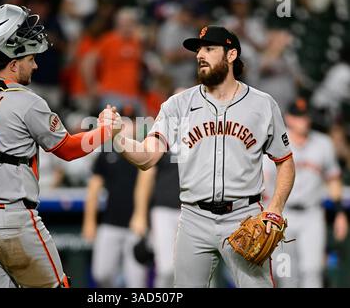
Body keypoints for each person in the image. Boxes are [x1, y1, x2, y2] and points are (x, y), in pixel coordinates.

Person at [103, 25, 296, 288]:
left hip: (244, 216)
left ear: (231, 55)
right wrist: (117, 138)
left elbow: (284, 161)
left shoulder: (262, 104)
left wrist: (275, 208)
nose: (199, 55)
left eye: (209, 49)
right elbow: (147, 157)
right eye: (198, 50)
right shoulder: (177, 105)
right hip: (194, 219)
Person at [0, 4, 117, 288]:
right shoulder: (27, 100)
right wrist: (105, 131)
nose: (35, 65)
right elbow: (67, 149)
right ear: (13, 63)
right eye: (30, 59)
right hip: (14, 222)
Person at [264, 99, 348, 288]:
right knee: (286, 275)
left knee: (313, 272)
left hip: (312, 215)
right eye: (299, 116)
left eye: (305, 116)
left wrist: (340, 213)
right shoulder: (274, 141)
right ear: (289, 119)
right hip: (283, 215)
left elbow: (333, 179)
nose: (304, 120)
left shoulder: (323, 143)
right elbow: (262, 182)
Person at [82, 116, 148, 288]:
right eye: (123, 121)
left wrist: (144, 219)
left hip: (136, 227)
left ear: (136, 125)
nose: (126, 126)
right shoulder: (106, 152)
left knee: (136, 282)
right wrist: (89, 221)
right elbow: (94, 188)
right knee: (101, 274)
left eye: (130, 122)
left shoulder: (145, 151)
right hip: (110, 222)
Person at [131, 151, 181, 287]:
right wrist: (140, 214)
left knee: (194, 270)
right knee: (166, 269)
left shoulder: (199, 134)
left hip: (193, 210)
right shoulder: (163, 134)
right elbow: (145, 176)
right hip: (163, 210)